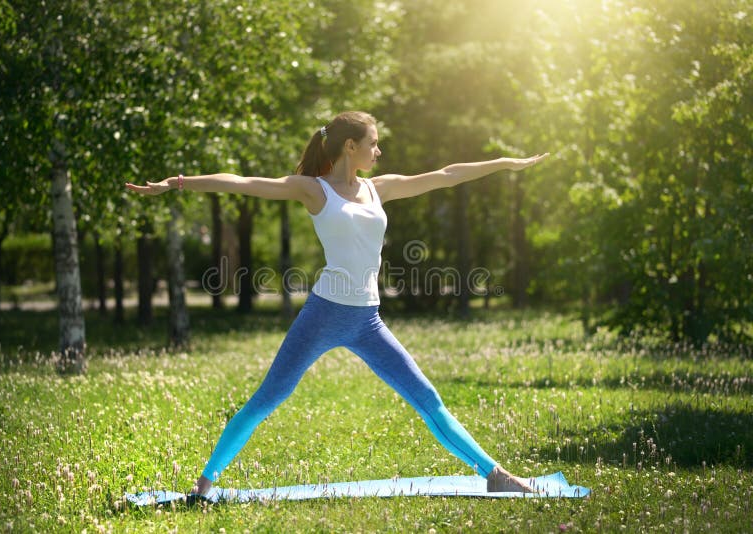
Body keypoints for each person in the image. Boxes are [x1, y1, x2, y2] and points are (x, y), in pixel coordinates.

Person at [126, 111, 549, 496]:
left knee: (427, 397)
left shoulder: (376, 189)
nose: (379, 150)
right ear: (351, 146)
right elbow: (242, 183)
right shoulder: (314, 191)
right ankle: (204, 484)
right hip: (323, 314)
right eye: (373, 142)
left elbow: (446, 174)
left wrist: (504, 164)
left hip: (368, 320)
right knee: (267, 399)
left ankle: (495, 475)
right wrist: (178, 183)